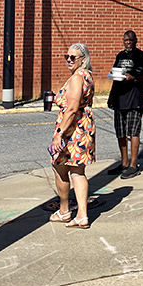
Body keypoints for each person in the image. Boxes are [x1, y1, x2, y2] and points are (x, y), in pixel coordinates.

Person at [48, 43, 95, 228]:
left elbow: (72, 108)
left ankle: (65, 210)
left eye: (73, 57)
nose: (68, 59)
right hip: (84, 126)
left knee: (60, 166)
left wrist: (59, 134)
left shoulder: (77, 78)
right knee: (76, 170)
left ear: (83, 59)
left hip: (72, 129)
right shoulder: (88, 76)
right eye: (66, 56)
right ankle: (80, 215)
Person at [107, 30, 143, 178]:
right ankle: (124, 163)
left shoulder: (141, 56)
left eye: (130, 40)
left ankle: (133, 165)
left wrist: (134, 78)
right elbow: (115, 75)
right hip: (119, 99)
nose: (128, 43)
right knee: (120, 132)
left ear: (136, 41)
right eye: (125, 40)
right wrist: (111, 96)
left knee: (133, 132)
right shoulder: (120, 55)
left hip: (135, 100)